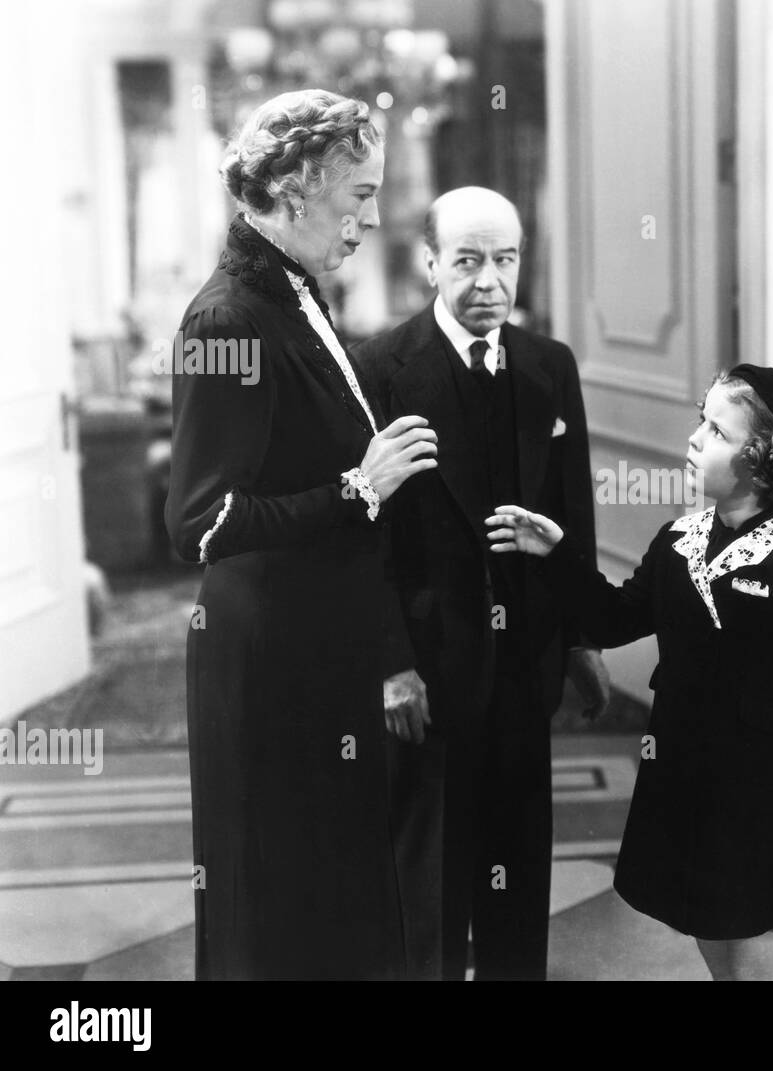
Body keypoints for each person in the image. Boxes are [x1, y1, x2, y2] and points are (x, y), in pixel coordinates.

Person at [165, 89, 438, 980]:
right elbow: (200, 522)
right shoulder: (227, 319)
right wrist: (363, 486)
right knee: (278, 901)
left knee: (328, 891)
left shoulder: (292, 292)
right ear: (292, 187)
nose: (371, 216)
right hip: (268, 664)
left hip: (318, 649)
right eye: (358, 194)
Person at [487, 365, 773, 982]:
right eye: (701, 420)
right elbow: (612, 620)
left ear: (765, 458)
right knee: (717, 953)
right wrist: (557, 556)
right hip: (690, 789)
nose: (694, 439)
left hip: (770, 807)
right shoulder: (678, 541)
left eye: (716, 430)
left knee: (757, 972)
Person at [354, 186, 608, 981]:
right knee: (432, 878)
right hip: (429, 669)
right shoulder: (380, 368)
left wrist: (580, 637)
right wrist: (391, 662)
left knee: (519, 868)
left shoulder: (548, 365)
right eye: (467, 261)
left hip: (525, 663)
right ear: (430, 263)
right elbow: (365, 542)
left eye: (505, 259)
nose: (489, 281)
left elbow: (574, 511)